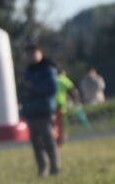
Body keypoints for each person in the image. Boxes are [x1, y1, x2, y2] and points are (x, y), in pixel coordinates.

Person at [19, 44, 60, 176]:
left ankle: (55, 165)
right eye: (28, 54)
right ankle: (42, 167)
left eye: (33, 53)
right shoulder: (28, 71)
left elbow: (51, 89)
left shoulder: (47, 69)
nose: (30, 57)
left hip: (44, 110)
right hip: (31, 111)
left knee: (47, 139)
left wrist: (34, 87)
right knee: (36, 142)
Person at [54, 68, 82, 147]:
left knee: (54, 123)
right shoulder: (63, 79)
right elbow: (73, 90)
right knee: (62, 123)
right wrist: (77, 99)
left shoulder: (52, 78)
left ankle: (54, 140)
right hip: (60, 104)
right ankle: (61, 140)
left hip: (51, 105)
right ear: (63, 72)